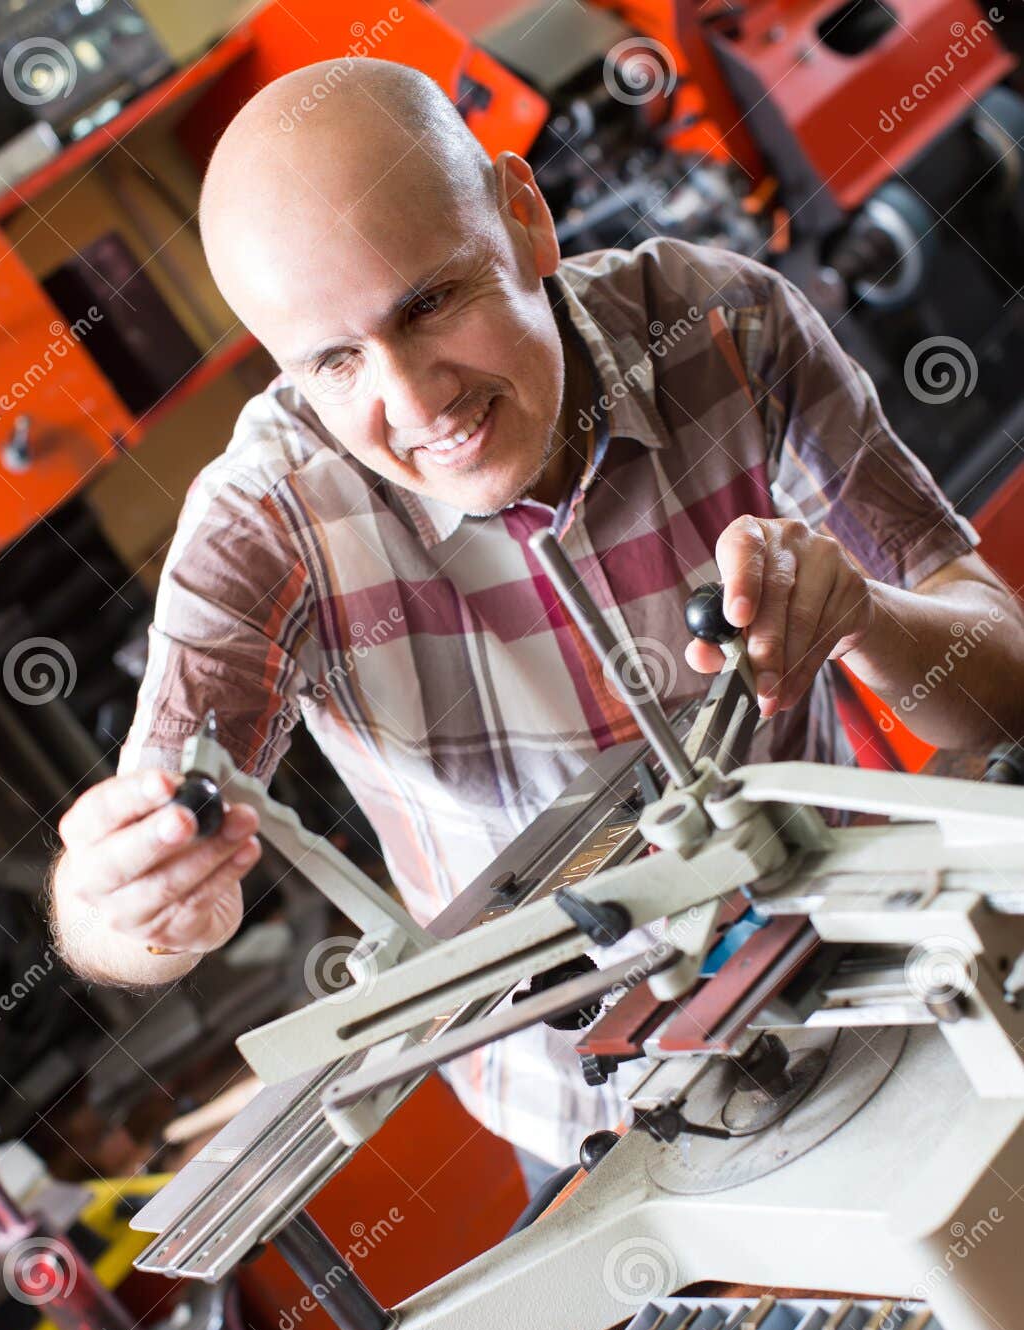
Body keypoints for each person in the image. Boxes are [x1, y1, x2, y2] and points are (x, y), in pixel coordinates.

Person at [50, 59, 1024, 1169]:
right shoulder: (264, 525)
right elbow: (131, 880)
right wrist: (123, 906)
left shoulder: (723, 327)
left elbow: (1002, 690)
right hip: (594, 1118)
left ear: (523, 219)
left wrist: (862, 615)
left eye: (428, 304)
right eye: (331, 361)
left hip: (870, 974)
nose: (415, 403)